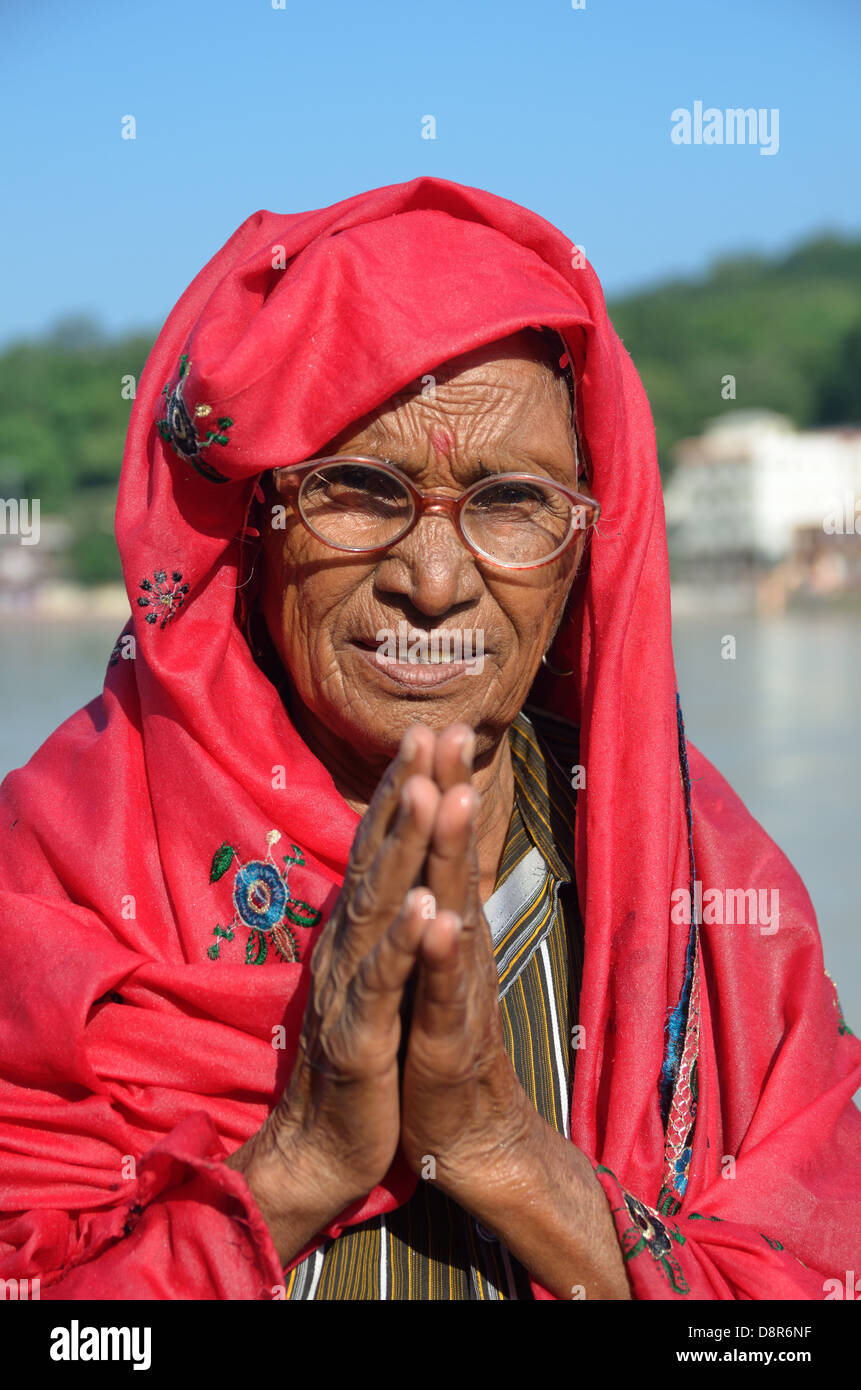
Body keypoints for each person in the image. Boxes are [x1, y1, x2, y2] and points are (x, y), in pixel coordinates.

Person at [0, 178, 858, 1301]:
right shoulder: (50, 877)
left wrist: (506, 1150)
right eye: (355, 490)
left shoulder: (712, 896)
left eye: (511, 502)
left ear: (586, 545)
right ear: (256, 518)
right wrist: (298, 1165)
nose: (436, 580)